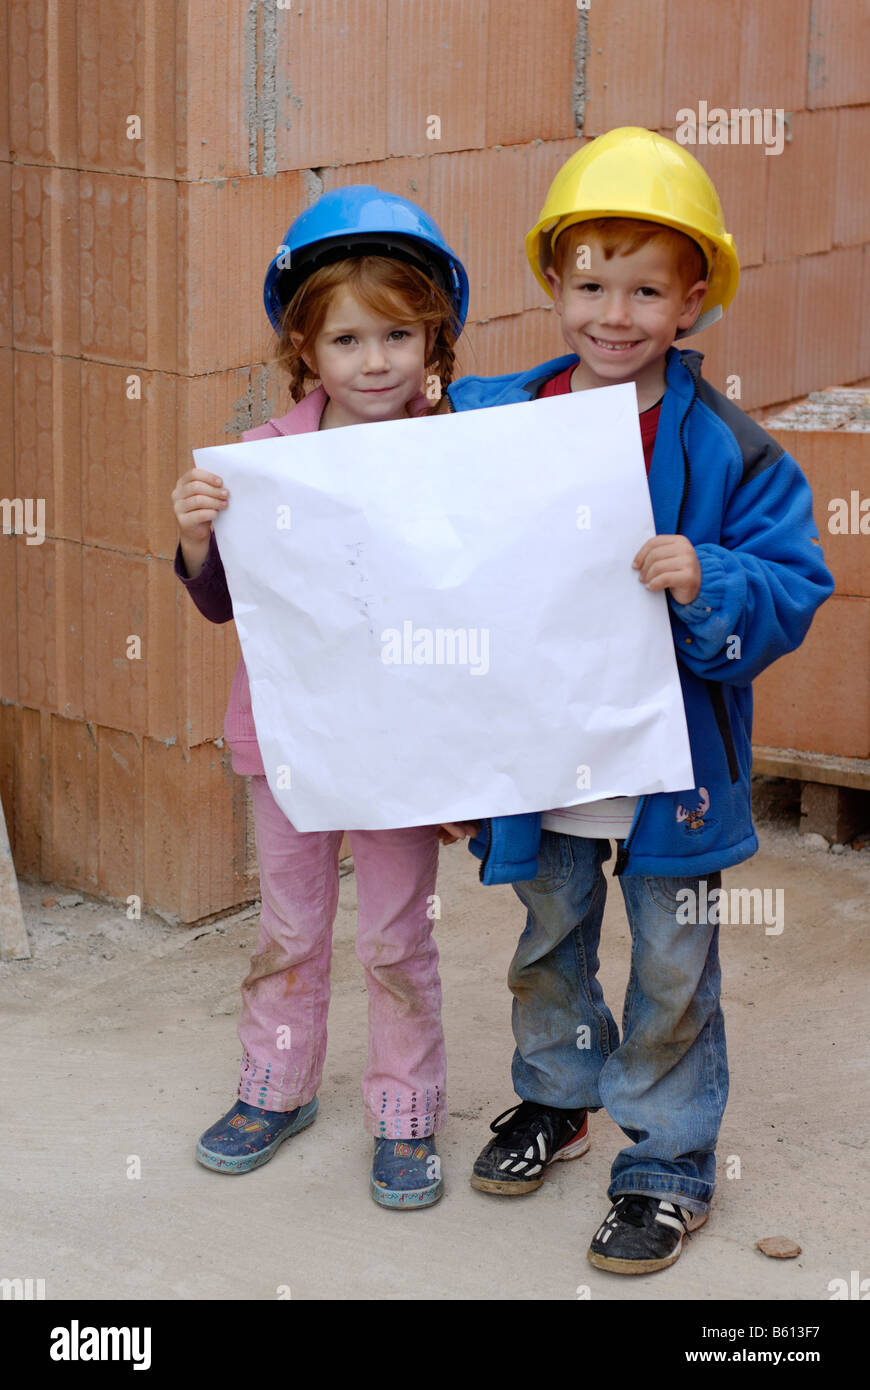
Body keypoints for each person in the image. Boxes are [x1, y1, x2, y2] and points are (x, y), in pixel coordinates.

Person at [442, 127, 835, 1271]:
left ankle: (664, 1158)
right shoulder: (496, 418)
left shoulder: (732, 449)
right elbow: (412, 523)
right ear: (554, 285)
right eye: (589, 282)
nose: (614, 312)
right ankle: (558, 1098)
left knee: (673, 964)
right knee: (547, 938)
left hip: (675, 773)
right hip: (547, 752)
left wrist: (712, 576)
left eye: (647, 287)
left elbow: (797, 581)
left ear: (694, 296)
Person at [171, 186, 470, 1208]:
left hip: (402, 752)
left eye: (400, 333)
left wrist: (476, 759)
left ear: (436, 340)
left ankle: (405, 1106)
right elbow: (222, 604)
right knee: (289, 928)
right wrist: (201, 537)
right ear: (305, 351)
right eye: (348, 338)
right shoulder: (264, 464)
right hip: (289, 742)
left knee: (398, 933)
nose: (376, 359)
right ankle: (277, 1084)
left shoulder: (464, 460)